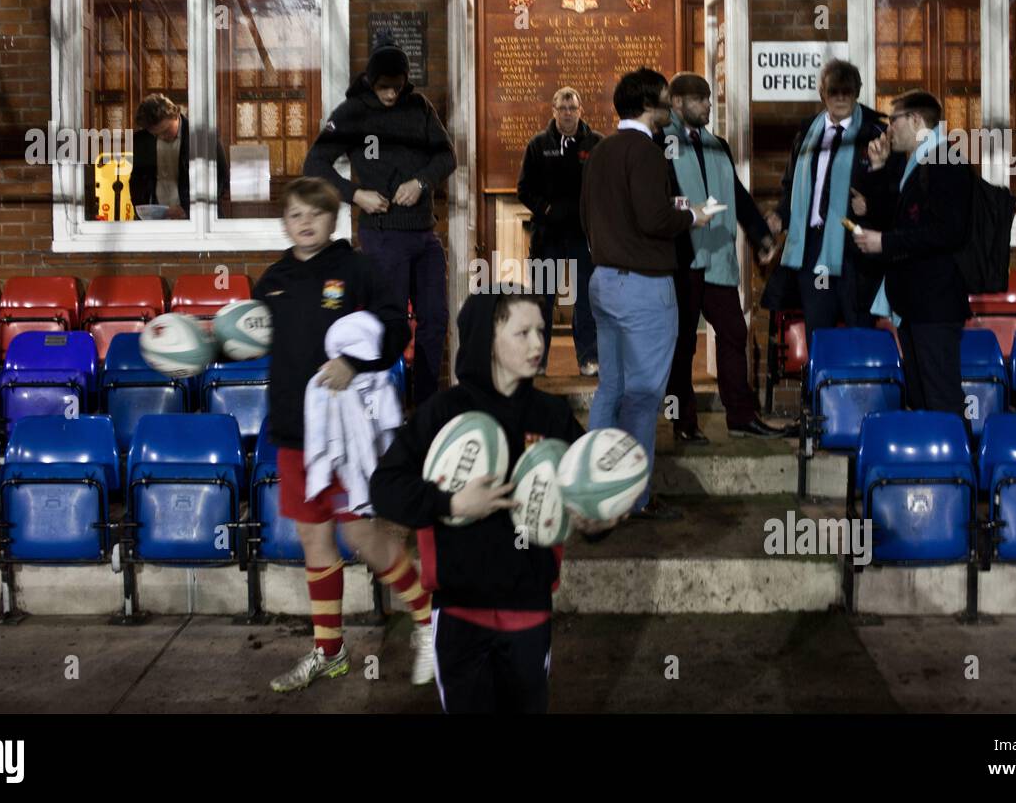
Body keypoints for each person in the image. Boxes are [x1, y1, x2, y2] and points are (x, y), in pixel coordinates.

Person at [369, 291, 619, 713]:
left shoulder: (553, 415)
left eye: (540, 330)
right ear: (487, 338)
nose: (538, 344)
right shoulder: (441, 413)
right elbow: (385, 487)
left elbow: (587, 496)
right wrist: (450, 502)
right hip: (459, 611)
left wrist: (597, 522)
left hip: (528, 607)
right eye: (522, 332)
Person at [254, 177, 436, 693]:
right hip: (293, 432)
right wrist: (211, 338)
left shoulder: (359, 269)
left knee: (361, 536)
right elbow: (250, 337)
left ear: (334, 218)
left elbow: (397, 328)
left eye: (315, 213)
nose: (305, 222)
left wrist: (354, 363)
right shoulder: (271, 280)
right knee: (314, 538)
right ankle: (329, 652)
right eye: (294, 214)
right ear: (285, 222)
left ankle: (427, 620)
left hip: (347, 432)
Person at [580, 67, 714, 520]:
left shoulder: (599, 150)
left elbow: (588, 216)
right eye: (663, 101)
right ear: (648, 107)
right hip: (643, 286)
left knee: (610, 389)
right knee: (641, 397)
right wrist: (692, 216)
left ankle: (595, 487)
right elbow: (654, 219)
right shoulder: (647, 151)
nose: (668, 110)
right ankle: (632, 498)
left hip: (603, 281)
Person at [302, 36, 456, 406]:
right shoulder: (352, 111)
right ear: (371, 81)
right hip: (383, 235)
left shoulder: (419, 107)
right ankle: (382, 406)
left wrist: (421, 183)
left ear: (406, 82)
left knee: (435, 320)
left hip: (424, 234)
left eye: (397, 87)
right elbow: (315, 164)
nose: (390, 95)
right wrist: (355, 194)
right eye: (384, 87)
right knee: (390, 325)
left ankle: (424, 406)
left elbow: (446, 156)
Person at [662, 73, 783, 443]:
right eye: (700, 100)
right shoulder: (660, 141)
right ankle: (682, 424)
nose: (707, 106)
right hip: (682, 259)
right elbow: (659, 196)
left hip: (718, 257)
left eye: (708, 98)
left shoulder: (718, 145)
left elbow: (737, 193)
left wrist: (760, 235)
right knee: (682, 344)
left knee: (734, 333)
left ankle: (741, 417)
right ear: (678, 103)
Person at [853, 90, 973, 417]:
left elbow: (949, 232)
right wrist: (878, 169)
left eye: (894, 121)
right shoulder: (918, 162)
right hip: (915, 305)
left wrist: (885, 244)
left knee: (942, 400)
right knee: (922, 399)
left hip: (934, 306)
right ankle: (930, 466)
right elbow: (901, 220)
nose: (888, 130)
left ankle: (955, 468)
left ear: (917, 121)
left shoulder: (945, 161)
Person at [762, 61, 890, 336]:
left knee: (860, 333)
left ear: (858, 92)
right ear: (823, 93)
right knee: (819, 333)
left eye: (848, 91)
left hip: (855, 252)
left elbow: (893, 191)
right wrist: (779, 217)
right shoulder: (807, 134)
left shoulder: (875, 134)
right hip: (813, 250)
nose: (841, 97)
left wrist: (872, 205)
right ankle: (820, 380)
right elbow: (791, 188)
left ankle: (859, 380)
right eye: (834, 91)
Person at [516, 87, 603, 377]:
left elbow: (606, 185)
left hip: (583, 236)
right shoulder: (538, 145)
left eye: (572, 108)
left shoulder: (596, 143)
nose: (567, 113)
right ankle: (537, 361)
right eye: (562, 108)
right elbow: (524, 189)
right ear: (553, 111)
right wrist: (547, 210)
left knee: (586, 301)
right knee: (542, 300)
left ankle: (589, 358)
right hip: (548, 236)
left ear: (581, 111)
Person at [130, 93, 229, 219]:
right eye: (155, 134)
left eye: (166, 130)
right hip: (157, 219)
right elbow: (137, 180)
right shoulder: (142, 139)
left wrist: (188, 209)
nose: (162, 137)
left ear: (176, 114)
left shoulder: (202, 135)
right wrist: (142, 209)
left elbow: (221, 178)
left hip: (197, 218)